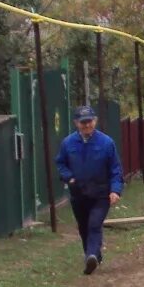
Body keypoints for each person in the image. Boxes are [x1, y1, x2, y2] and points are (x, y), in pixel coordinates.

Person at [54, 105, 123, 275]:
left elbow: (115, 169)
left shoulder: (106, 143)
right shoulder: (68, 143)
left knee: (94, 224)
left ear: (95, 121)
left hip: (100, 193)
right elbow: (60, 163)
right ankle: (93, 255)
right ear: (76, 123)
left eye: (90, 122)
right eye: (83, 122)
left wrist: (115, 190)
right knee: (84, 226)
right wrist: (68, 176)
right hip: (78, 193)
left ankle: (91, 255)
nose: (87, 126)